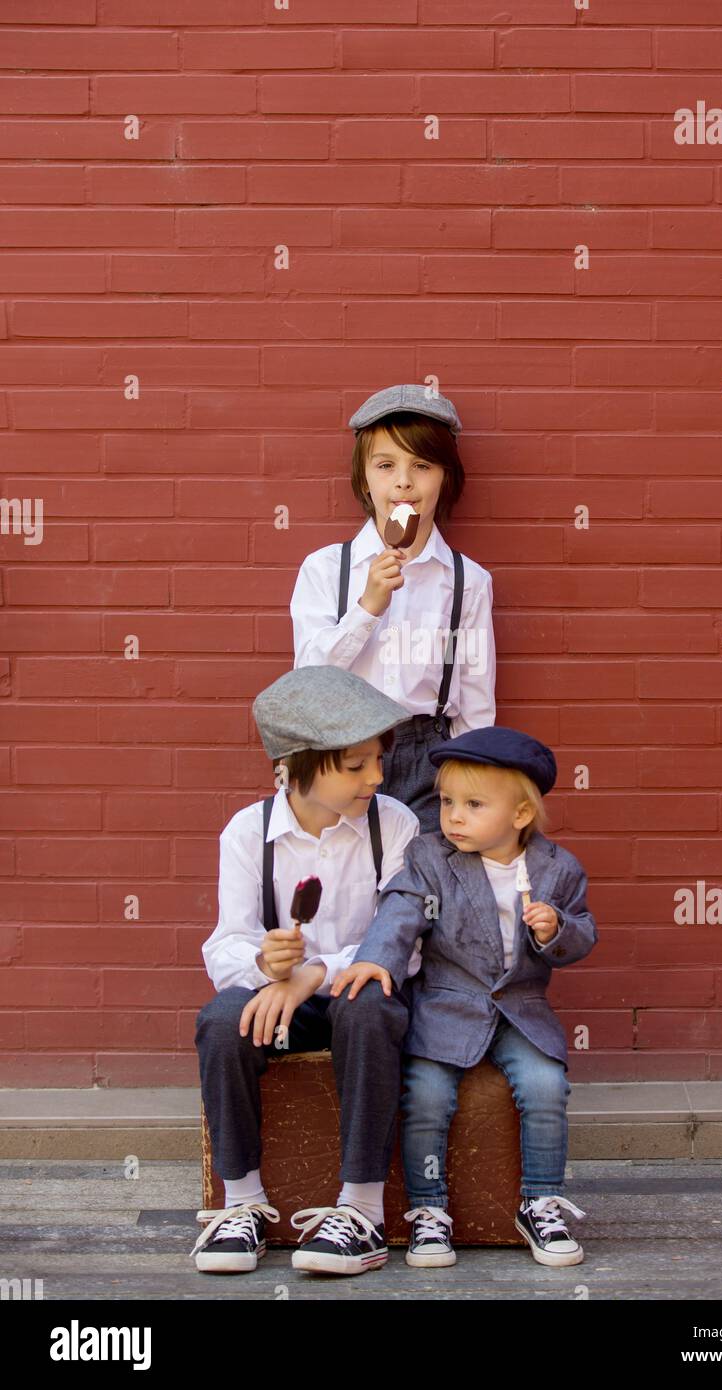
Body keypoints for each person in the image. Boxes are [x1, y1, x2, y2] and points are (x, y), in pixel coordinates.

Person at [331, 726, 598, 1269]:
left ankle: (540, 1201)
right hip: (445, 1009)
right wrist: (376, 958)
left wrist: (555, 930)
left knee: (546, 1086)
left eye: (473, 805)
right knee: (426, 1096)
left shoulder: (557, 869)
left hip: (519, 1011)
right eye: (447, 801)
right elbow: (402, 907)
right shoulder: (431, 857)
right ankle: (429, 1212)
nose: (452, 816)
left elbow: (583, 935)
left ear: (520, 815)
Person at [190, 665, 421, 1276]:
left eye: (377, 760)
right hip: (283, 1011)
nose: (375, 776)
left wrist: (314, 973)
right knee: (219, 1022)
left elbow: (405, 944)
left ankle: (361, 1211)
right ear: (295, 766)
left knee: (367, 1005)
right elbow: (224, 946)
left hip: (357, 1005)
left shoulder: (393, 823)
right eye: (355, 765)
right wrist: (265, 964)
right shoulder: (249, 832)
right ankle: (241, 1205)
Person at [290, 384, 495, 833]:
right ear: (365, 479)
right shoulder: (326, 569)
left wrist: (471, 788)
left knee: (422, 892)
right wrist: (367, 607)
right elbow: (308, 680)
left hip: (431, 759)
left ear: (445, 477)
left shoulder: (468, 582)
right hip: (339, 750)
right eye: (386, 466)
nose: (403, 481)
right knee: (346, 887)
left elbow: (475, 703)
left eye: (421, 466)